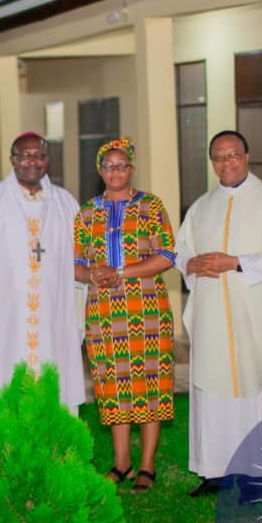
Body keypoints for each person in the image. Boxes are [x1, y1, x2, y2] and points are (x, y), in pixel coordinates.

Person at [175, 130, 262, 497]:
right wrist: (193, 262)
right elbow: (180, 252)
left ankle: (259, 472)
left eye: (233, 155)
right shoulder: (201, 207)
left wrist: (236, 262)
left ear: (247, 156)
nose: (226, 162)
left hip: (254, 318)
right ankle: (213, 470)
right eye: (219, 157)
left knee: (256, 393)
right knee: (211, 395)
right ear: (212, 162)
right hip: (213, 317)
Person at [74, 139, 175, 493]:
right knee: (112, 384)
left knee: (148, 383)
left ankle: (147, 464)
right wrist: (94, 275)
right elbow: (76, 265)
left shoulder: (150, 205)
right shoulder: (86, 212)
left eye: (122, 165)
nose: (115, 171)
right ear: (100, 171)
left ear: (131, 168)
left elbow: (166, 255)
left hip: (146, 308)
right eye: (109, 166)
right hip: (103, 312)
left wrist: (121, 271)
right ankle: (122, 462)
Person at [0, 131, 84, 416]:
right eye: (25, 156)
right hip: (3, 321)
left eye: (39, 156)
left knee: (54, 381)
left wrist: (76, 319)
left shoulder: (66, 205)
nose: (32, 162)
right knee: (4, 381)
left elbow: (79, 264)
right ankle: (3, 457)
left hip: (53, 321)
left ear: (47, 161)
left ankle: (53, 456)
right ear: (12, 160)